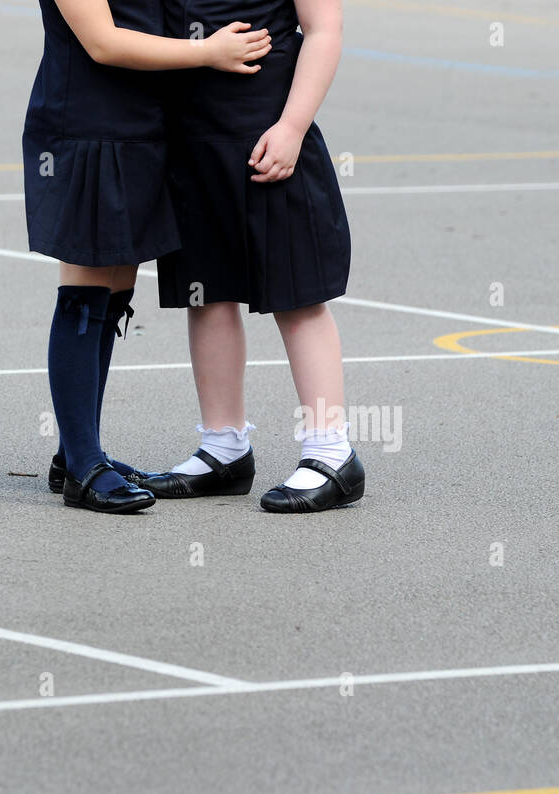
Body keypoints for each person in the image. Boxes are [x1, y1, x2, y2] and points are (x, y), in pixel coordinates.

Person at [24, 0, 271, 513]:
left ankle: (75, 449)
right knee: (85, 290)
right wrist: (207, 51)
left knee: (114, 291)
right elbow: (103, 41)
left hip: (143, 128)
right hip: (86, 125)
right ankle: (83, 467)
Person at [144, 0, 364, 513]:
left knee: (299, 295)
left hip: (270, 137)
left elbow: (324, 29)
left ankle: (331, 451)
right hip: (193, 140)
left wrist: (292, 127)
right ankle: (223, 448)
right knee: (207, 294)